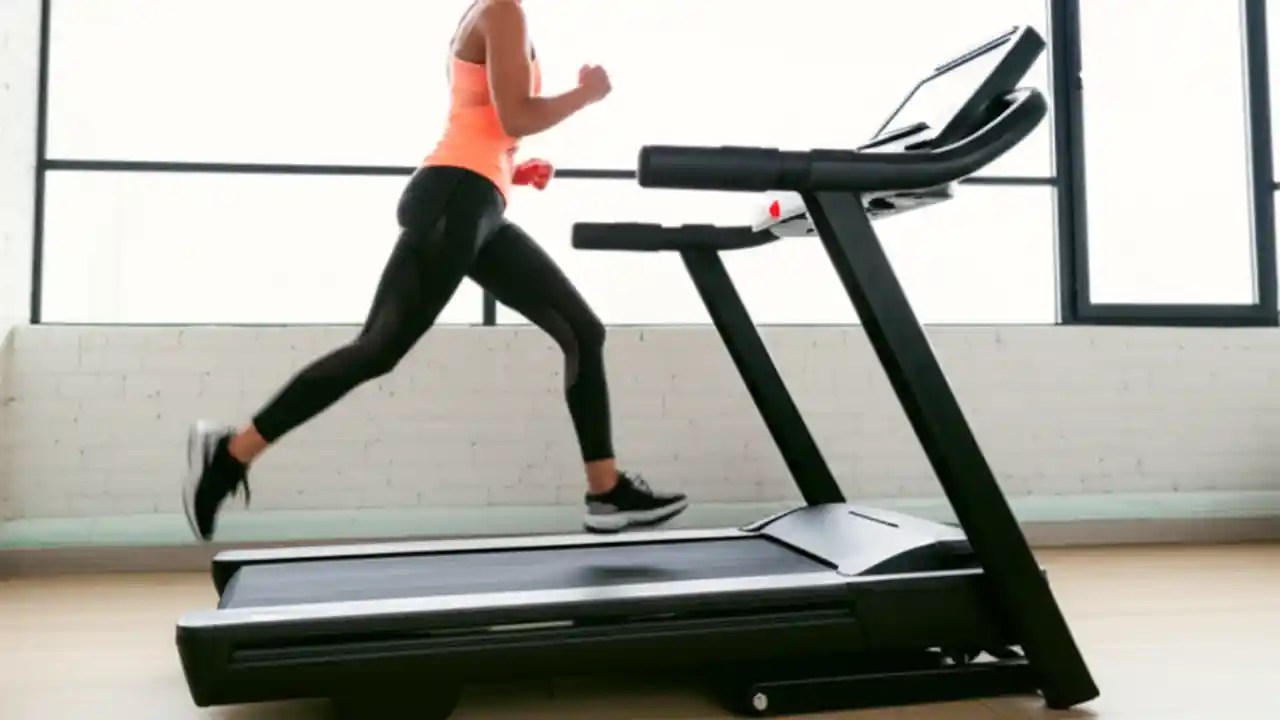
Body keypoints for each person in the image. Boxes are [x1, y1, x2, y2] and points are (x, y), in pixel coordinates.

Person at [182, 0, 688, 542]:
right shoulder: (503, 10)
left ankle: (606, 491)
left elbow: (483, 122)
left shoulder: (492, 13)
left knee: (583, 331)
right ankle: (231, 454)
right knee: (378, 349)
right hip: (457, 199)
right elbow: (516, 116)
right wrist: (586, 94)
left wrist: (512, 168)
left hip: (475, 204)